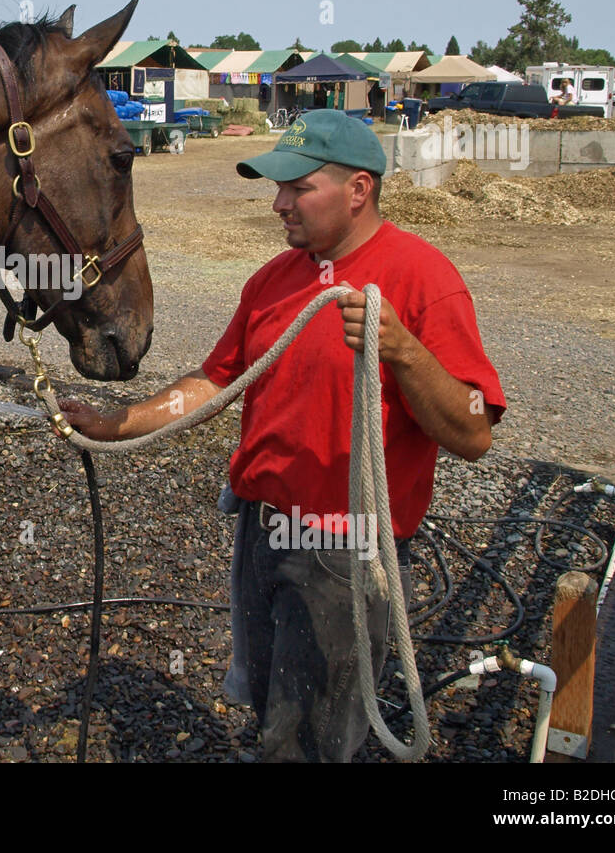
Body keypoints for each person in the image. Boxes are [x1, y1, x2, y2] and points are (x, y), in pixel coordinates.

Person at [58, 110, 505, 762]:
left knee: (313, 738)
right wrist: (118, 422)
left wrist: (405, 353)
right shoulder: (273, 280)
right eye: (277, 187)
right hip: (261, 536)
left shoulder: (422, 278)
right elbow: (217, 380)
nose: (278, 204)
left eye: (298, 188)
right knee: (276, 711)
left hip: (345, 554)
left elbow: (472, 432)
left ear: (359, 190)